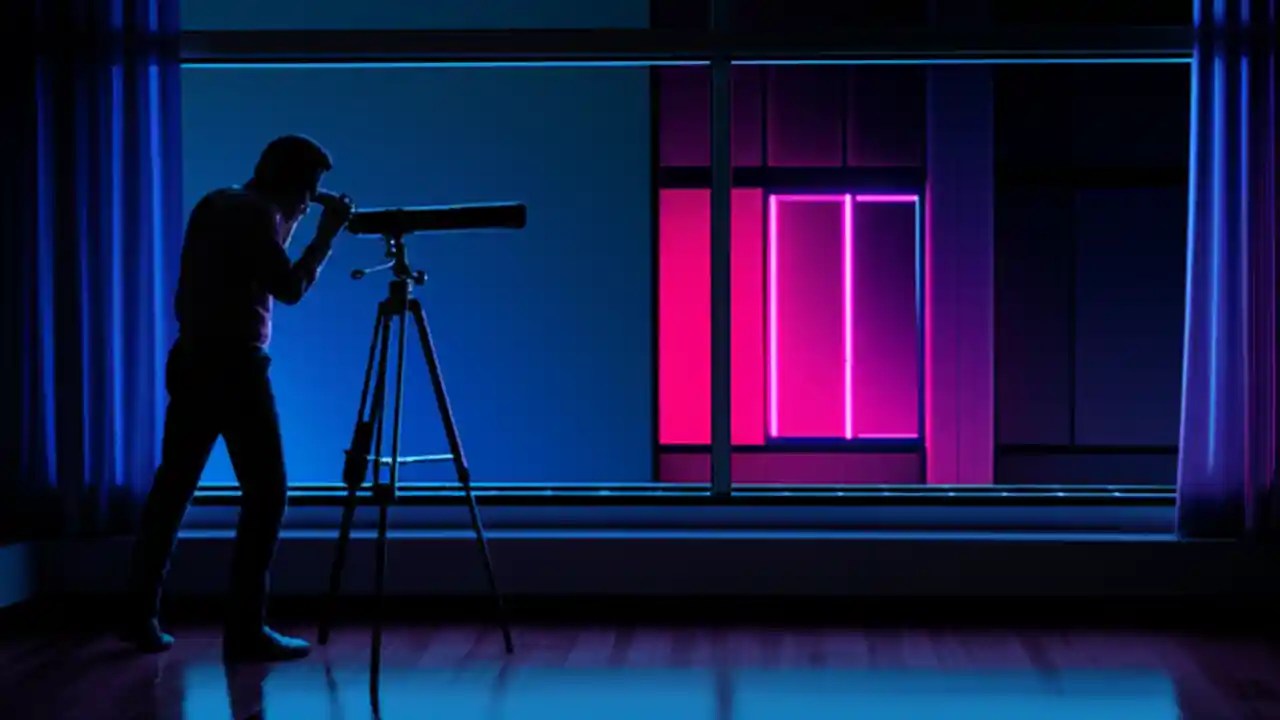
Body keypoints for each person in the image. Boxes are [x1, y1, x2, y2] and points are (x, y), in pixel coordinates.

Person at [121, 134, 353, 661]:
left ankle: (139, 615)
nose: (311, 199)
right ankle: (246, 628)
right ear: (293, 183)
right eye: (310, 188)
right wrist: (326, 235)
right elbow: (288, 287)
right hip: (236, 366)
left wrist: (296, 218)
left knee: (172, 489)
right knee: (267, 494)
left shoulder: (221, 203)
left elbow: (258, 257)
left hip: (192, 357)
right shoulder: (256, 215)